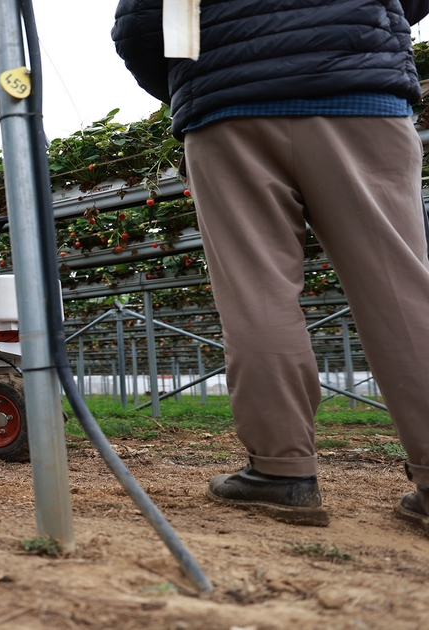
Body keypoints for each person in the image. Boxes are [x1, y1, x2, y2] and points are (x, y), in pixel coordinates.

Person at [112, 0, 429, 530]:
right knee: (401, 289)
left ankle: (281, 471)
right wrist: (351, 29)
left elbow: (142, 25)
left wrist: (199, 74)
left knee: (255, 292)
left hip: (229, 110)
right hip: (360, 94)